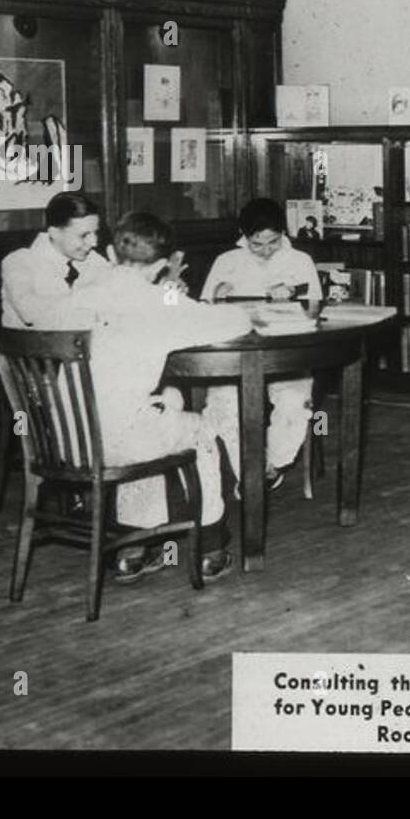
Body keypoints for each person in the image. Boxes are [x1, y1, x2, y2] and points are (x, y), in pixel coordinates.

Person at [70, 211, 253, 582]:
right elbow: (235, 323)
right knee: (200, 430)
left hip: (64, 439)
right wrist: (171, 291)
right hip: (118, 444)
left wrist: (167, 292)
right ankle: (210, 549)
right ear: (160, 265)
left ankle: (132, 549)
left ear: (111, 251)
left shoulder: (81, 293)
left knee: (153, 412)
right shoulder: (158, 304)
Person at [200, 198, 323, 490]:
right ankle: (248, 471)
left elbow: (317, 310)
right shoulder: (227, 261)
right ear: (244, 235)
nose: (266, 251)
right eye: (258, 244)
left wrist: (293, 294)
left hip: (286, 357)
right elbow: (202, 311)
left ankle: (272, 465)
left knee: (294, 403)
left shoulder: (300, 261)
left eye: (274, 242)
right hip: (235, 357)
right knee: (223, 403)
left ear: (283, 234)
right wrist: (217, 295)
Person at [0, 193, 111, 329]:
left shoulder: (93, 260)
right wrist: (87, 299)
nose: (94, 242)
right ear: (54, 233)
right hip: (32, 348)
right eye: (84, 235)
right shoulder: (20, 261)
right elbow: (29, 312)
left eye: (95, 233)